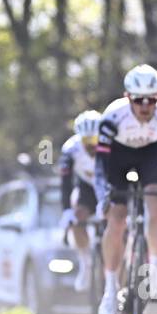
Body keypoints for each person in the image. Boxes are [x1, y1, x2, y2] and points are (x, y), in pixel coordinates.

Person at [95, 64, 157, 314]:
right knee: (117, 219)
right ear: (128, 98)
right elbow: (100, 165)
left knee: (156, 205)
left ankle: (155, 272)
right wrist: (103, 194)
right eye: (138, 100)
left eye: (151, 100)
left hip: (150, 157)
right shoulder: (113, 117)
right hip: (117, 158)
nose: (145, 106)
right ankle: (110, 290)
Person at [58, 110, 103, 292]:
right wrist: (66, 210)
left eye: (94, 141)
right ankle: (85, 262)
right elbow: (65, 182)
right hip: (87, 188)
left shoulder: (112, 144)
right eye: (86, 141)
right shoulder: (70, 149)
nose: (91, 145)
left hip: (109, 185)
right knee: (77, 216)